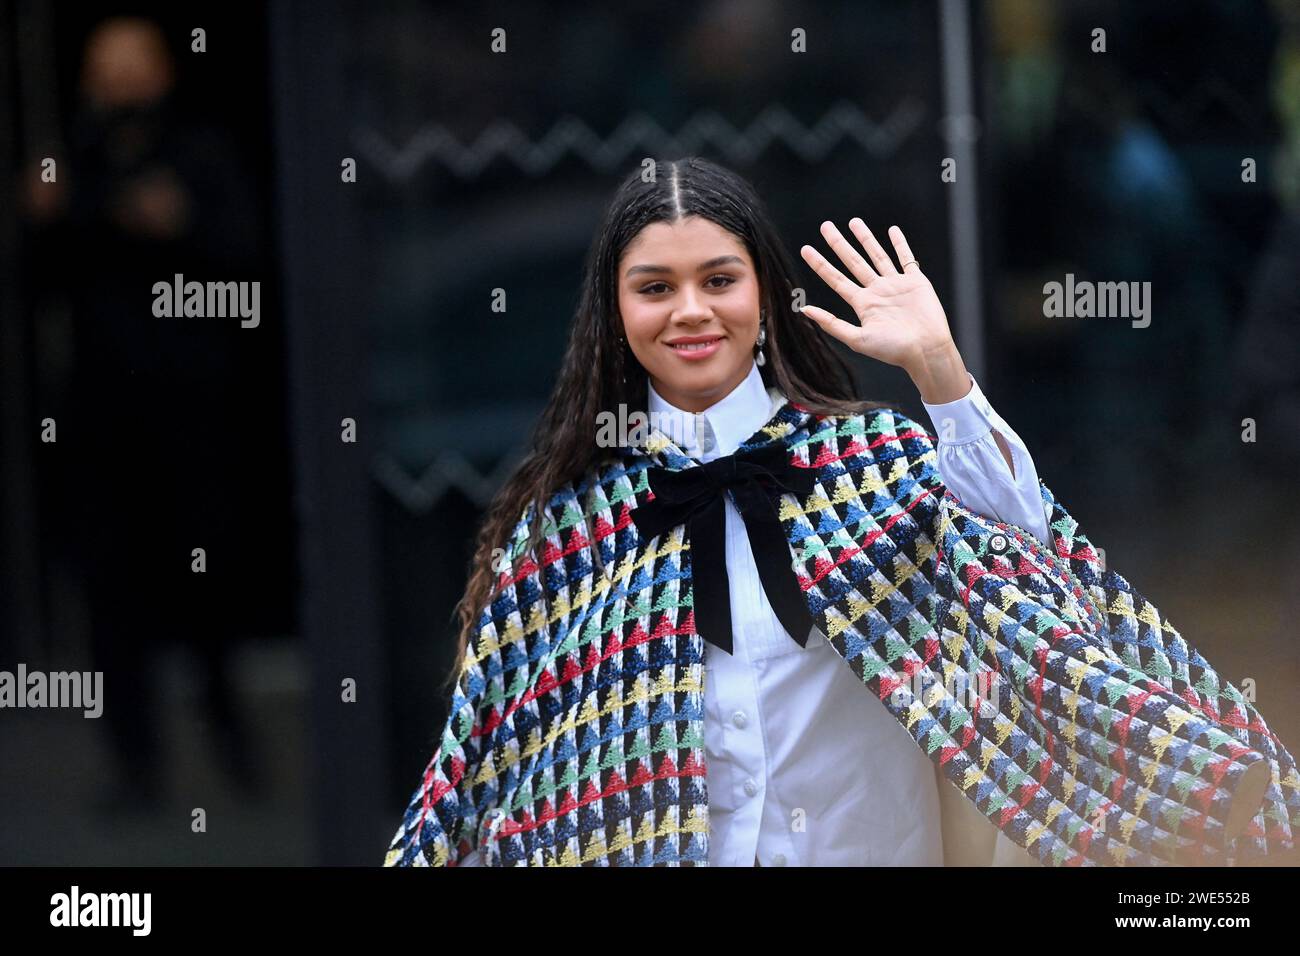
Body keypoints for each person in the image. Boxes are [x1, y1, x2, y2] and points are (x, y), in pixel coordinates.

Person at [384, 157, 1295, 867]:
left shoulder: (871, 459)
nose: (691, 310)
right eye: (655, 287)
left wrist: (940, 372)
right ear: (614, 311)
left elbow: (1035, 570)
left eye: (720, 279)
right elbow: (488, 770)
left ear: (767, 293)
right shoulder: (567, 525)